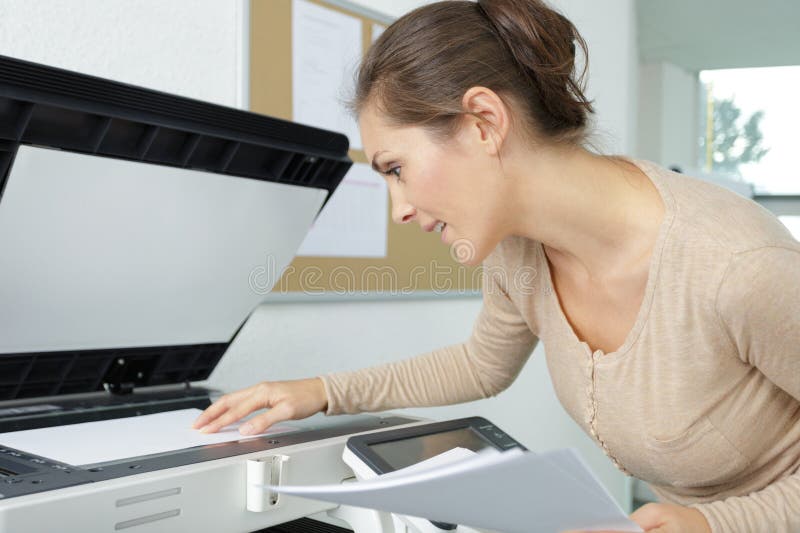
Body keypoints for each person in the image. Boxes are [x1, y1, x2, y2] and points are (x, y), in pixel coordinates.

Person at [192, 1, 800, 531]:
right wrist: (322, 392)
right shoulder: (520, 251)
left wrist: (717, 523)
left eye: (396, 169)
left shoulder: (739, 267)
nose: (399, 210)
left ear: (483, 122)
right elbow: (481, 365)